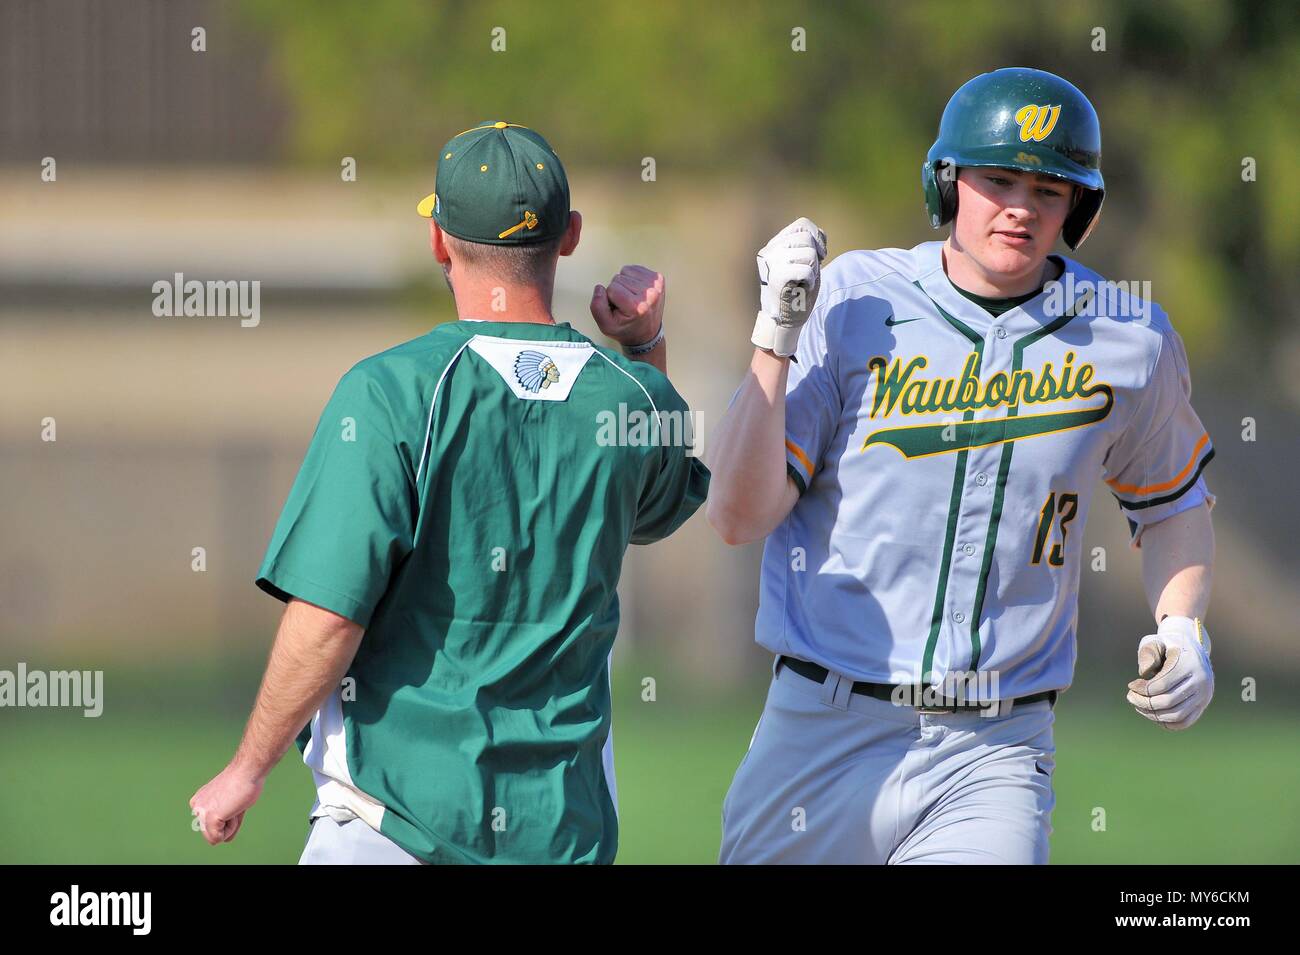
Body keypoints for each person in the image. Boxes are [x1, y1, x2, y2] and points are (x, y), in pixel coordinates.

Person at [706, 68, 1216, 864]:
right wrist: (774, 339)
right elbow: (738, 517)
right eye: (997, 179)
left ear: (1080, 205)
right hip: (821, 725)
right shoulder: (851, 303)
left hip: (997, 744)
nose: (1020, 206)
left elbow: (1174, 501)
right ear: (947, 183)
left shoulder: (1128, 336)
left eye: (1049, 189)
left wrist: (1182, 626)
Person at [190, 120, 709, 864]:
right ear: (570, 237)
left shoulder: (390, 391)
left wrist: (247, 768)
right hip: (562, 833)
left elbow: (331, 615)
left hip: (392, 821)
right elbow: (658, 508)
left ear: (439, 241)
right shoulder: (633, 396)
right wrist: (644, 346)